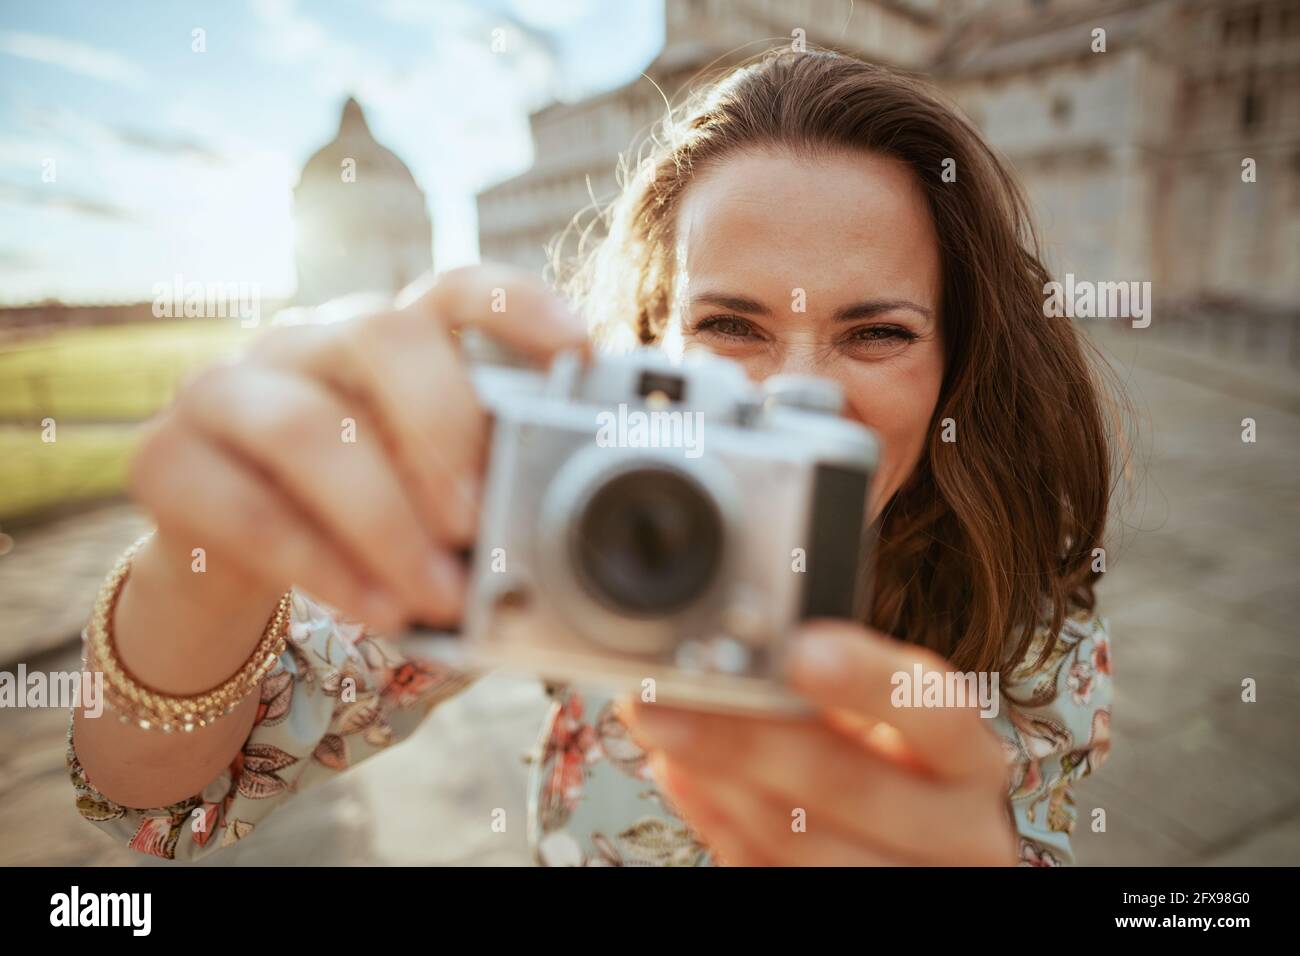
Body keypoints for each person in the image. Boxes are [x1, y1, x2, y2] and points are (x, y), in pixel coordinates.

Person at [67, 49, 1115, 866]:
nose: (799, 394)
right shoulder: (562, 505)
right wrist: (213, 557)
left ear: (954, 358)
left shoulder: (1032, 601)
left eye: (876, 333)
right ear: (654, 345)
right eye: (731, 326)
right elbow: (160, 802)